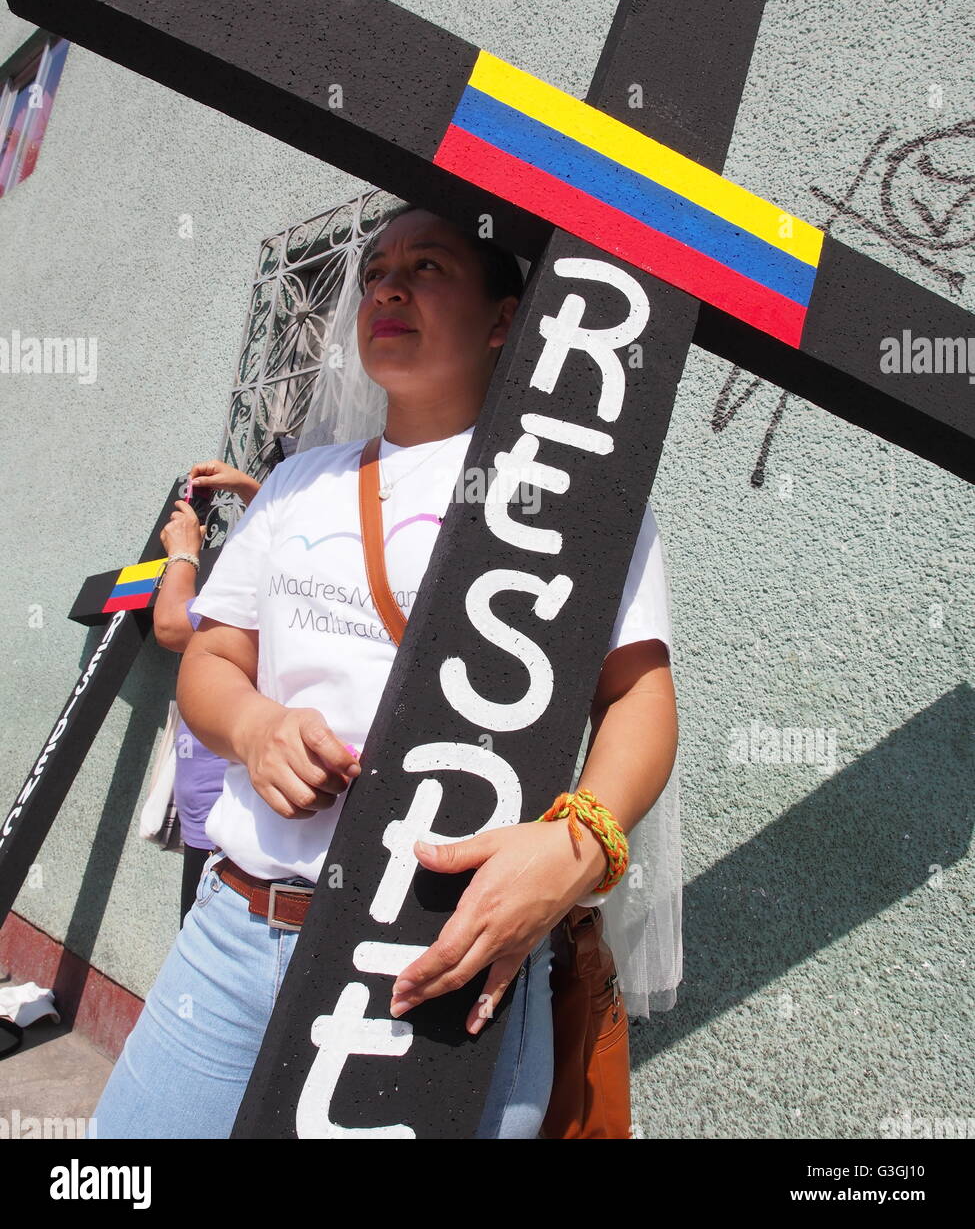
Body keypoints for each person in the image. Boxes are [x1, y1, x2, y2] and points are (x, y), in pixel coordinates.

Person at [90, 203, 679, 1139]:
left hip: (440, 961)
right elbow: (210, 656)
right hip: (238, 935)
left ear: (502, 319)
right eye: (373, 274)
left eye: (429, 267)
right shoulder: (296, 483)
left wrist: (573, 851)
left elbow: (638, 697)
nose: (386, 289)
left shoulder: (578, 501)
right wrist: (251, 727)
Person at [152, 462, 262, 923]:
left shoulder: (257, 598)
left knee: (204, 930)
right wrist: (251, 489)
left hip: (229, 814)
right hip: (227, 806)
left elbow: (172, 625)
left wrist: (183, 552)